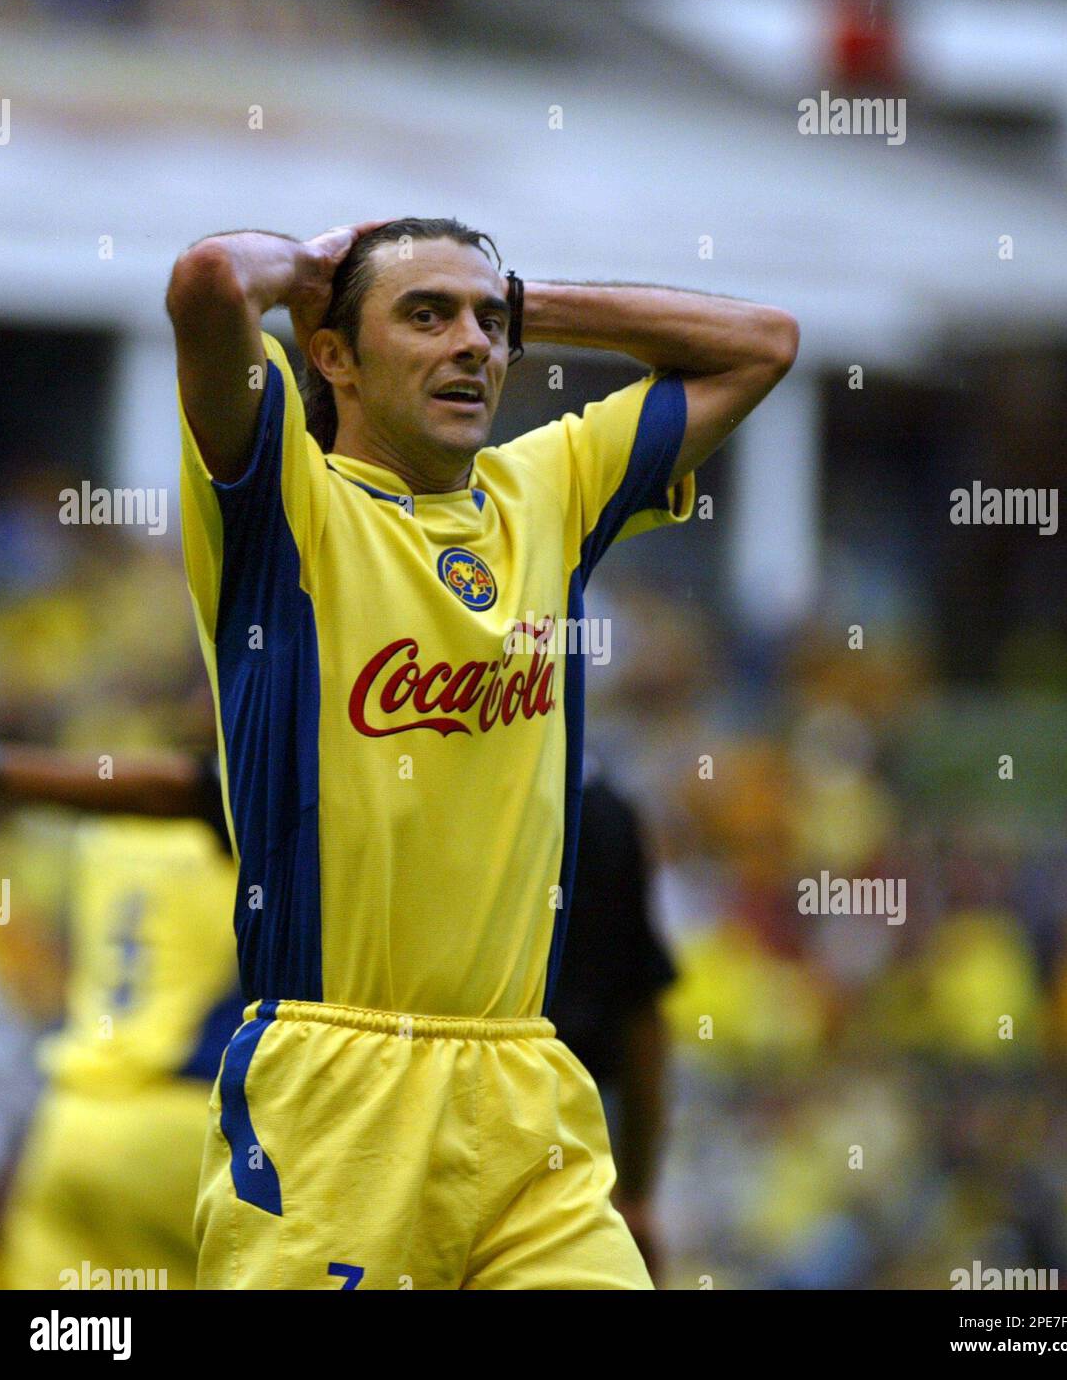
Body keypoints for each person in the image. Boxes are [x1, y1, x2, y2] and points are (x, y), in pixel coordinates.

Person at [165, 215, 797, 1289]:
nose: (474, 344)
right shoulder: (286, 508)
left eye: (486, 324)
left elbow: (763, 343)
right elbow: (211, 279)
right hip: (332, 1094)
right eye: (425, 315)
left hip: (525, 1089)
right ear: (332, 354)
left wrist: (532, 302)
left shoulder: (544, 491)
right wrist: (310, 268)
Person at [0, 741, 241, 1289]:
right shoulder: (249, 816)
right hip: (194, 1125)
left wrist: (1, 769)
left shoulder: (107, 833)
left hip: (73, 1121)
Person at [547, 755, 676, 1284]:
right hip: (573, 1134)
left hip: (429, 1114)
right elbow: (642, 1020)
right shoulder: (599, 807)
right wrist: (639, 1196)